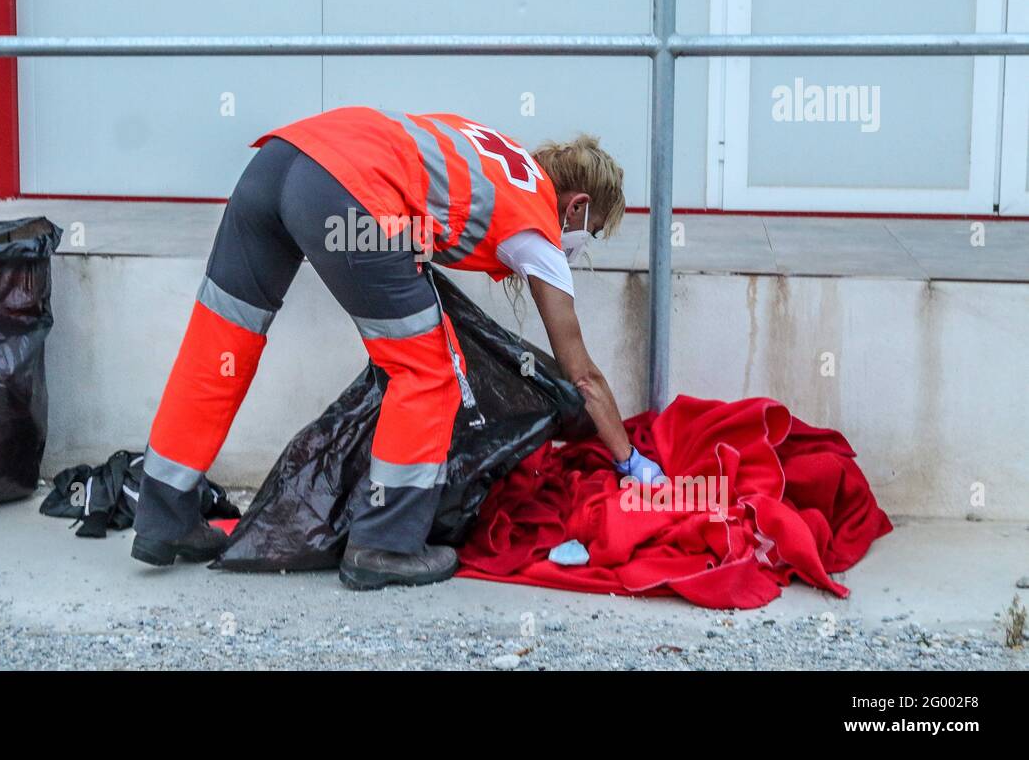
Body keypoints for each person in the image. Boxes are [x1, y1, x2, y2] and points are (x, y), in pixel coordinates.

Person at [131, 106, 666, 590]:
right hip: (349, 195)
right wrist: (630, 459)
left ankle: (163, 517)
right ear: (577, 206)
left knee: (221, 340)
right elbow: (583, 375)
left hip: (280, 160)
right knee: (428, 370)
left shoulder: (497, 154)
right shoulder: (537, 224)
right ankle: (384, 546)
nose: (578, 247)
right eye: (589, 232)